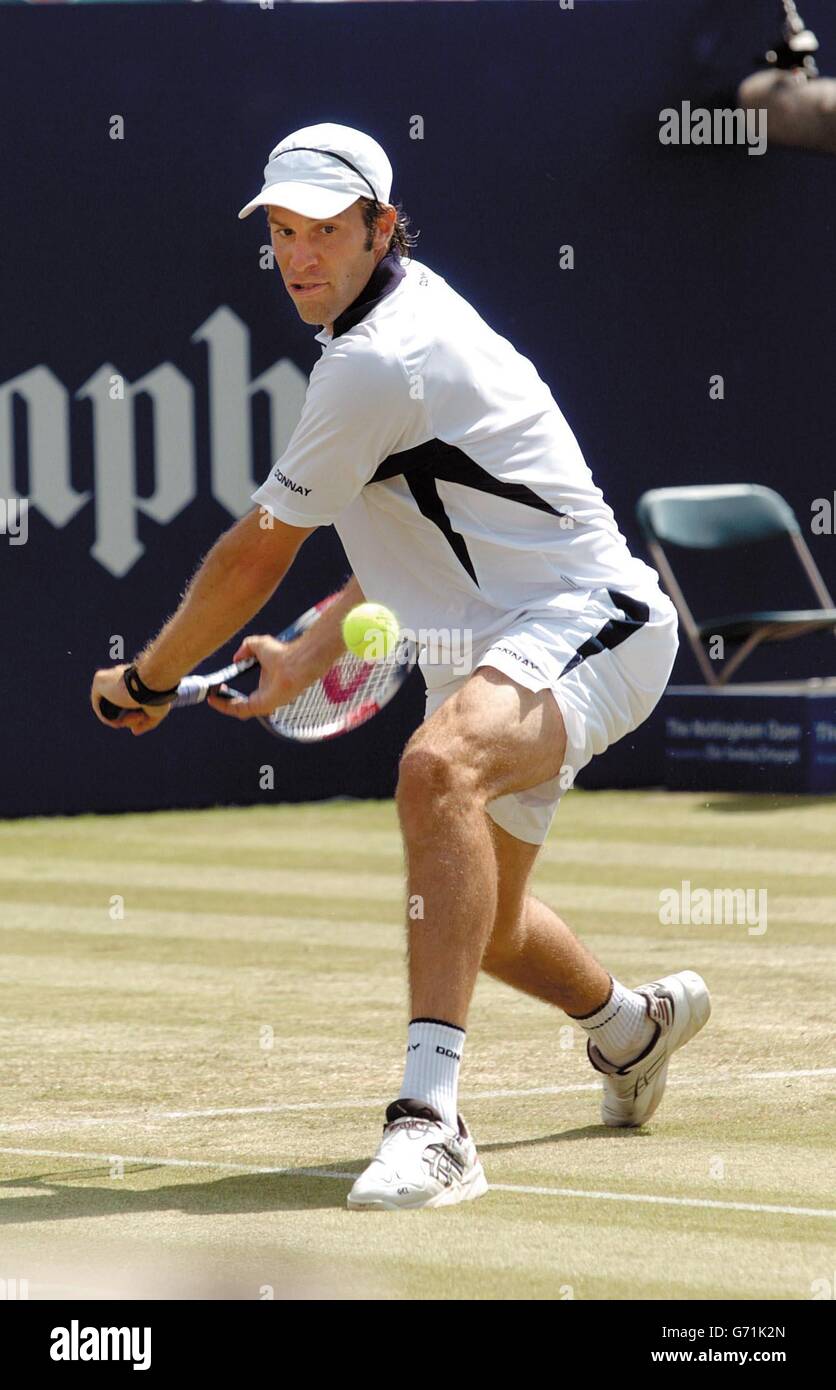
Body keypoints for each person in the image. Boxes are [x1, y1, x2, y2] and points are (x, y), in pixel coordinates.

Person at [90, 122, 710, 1211]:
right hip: (488, 644)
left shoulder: (382, 355)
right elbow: (395, 551)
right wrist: (296, 660)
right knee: (492, 920)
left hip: (590, 620)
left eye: (326, 231)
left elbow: (253, 554)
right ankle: (631, 1026)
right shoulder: (377, 332)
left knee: (436, 770)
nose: (299, 257)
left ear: (381, 228)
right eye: (283, 232)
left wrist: (145, 679)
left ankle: (430, 1124)